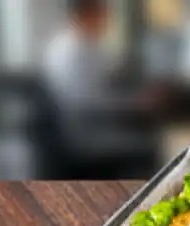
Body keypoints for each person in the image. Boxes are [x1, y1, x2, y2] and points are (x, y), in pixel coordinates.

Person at [40, 0, 156, 178]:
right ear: (87, 14)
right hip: (85, 138)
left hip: (77, 130)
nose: (106, 22)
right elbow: (89, 102)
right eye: (103, 16)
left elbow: (102, 82)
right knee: (148, 145)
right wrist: (136, 104)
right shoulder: (75, 49)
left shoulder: (71, 43)